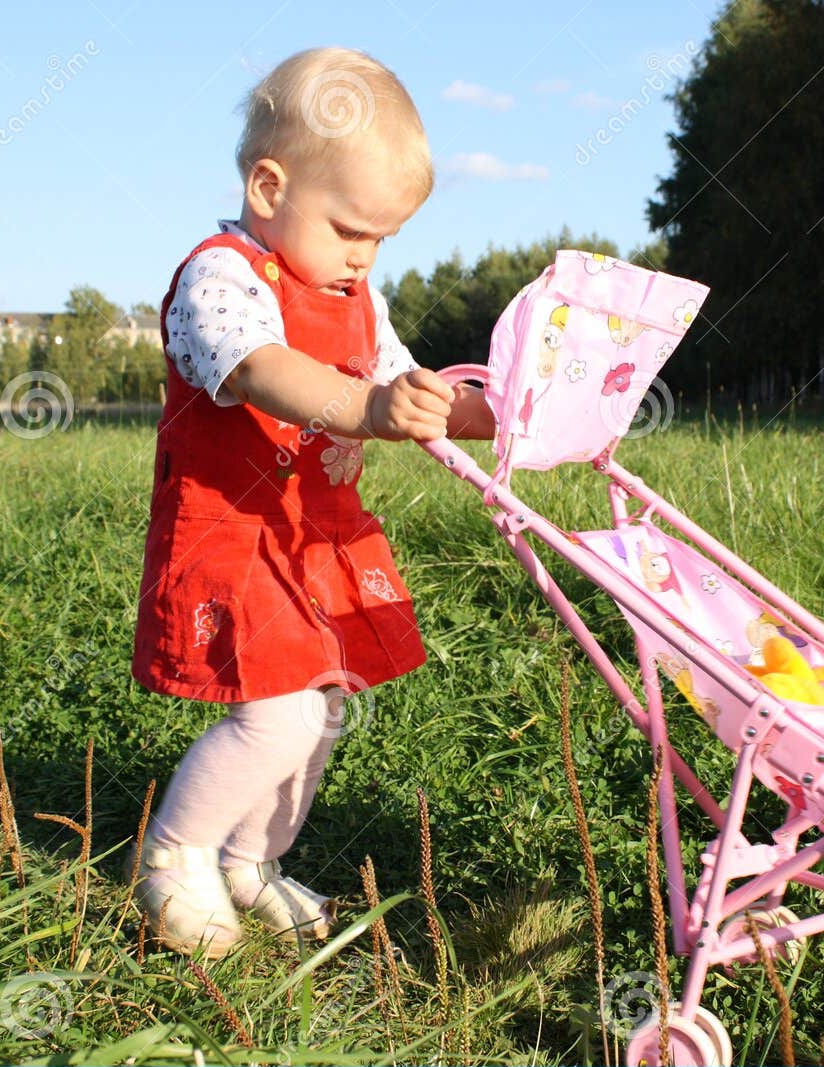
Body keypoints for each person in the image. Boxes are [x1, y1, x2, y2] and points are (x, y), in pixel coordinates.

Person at [127, 46, 495, 957]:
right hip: (235, 534)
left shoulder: (358, 297)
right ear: (267, 186)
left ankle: (253, 860)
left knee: (323, 707)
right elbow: (261, 369)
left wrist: (511, 414)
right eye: (349, 230)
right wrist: (368, 408)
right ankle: (176, 853)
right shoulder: (222, 278)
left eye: (383, 240)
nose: (364, 258)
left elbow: (415, 386)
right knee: (279, 713)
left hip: (315, 538)